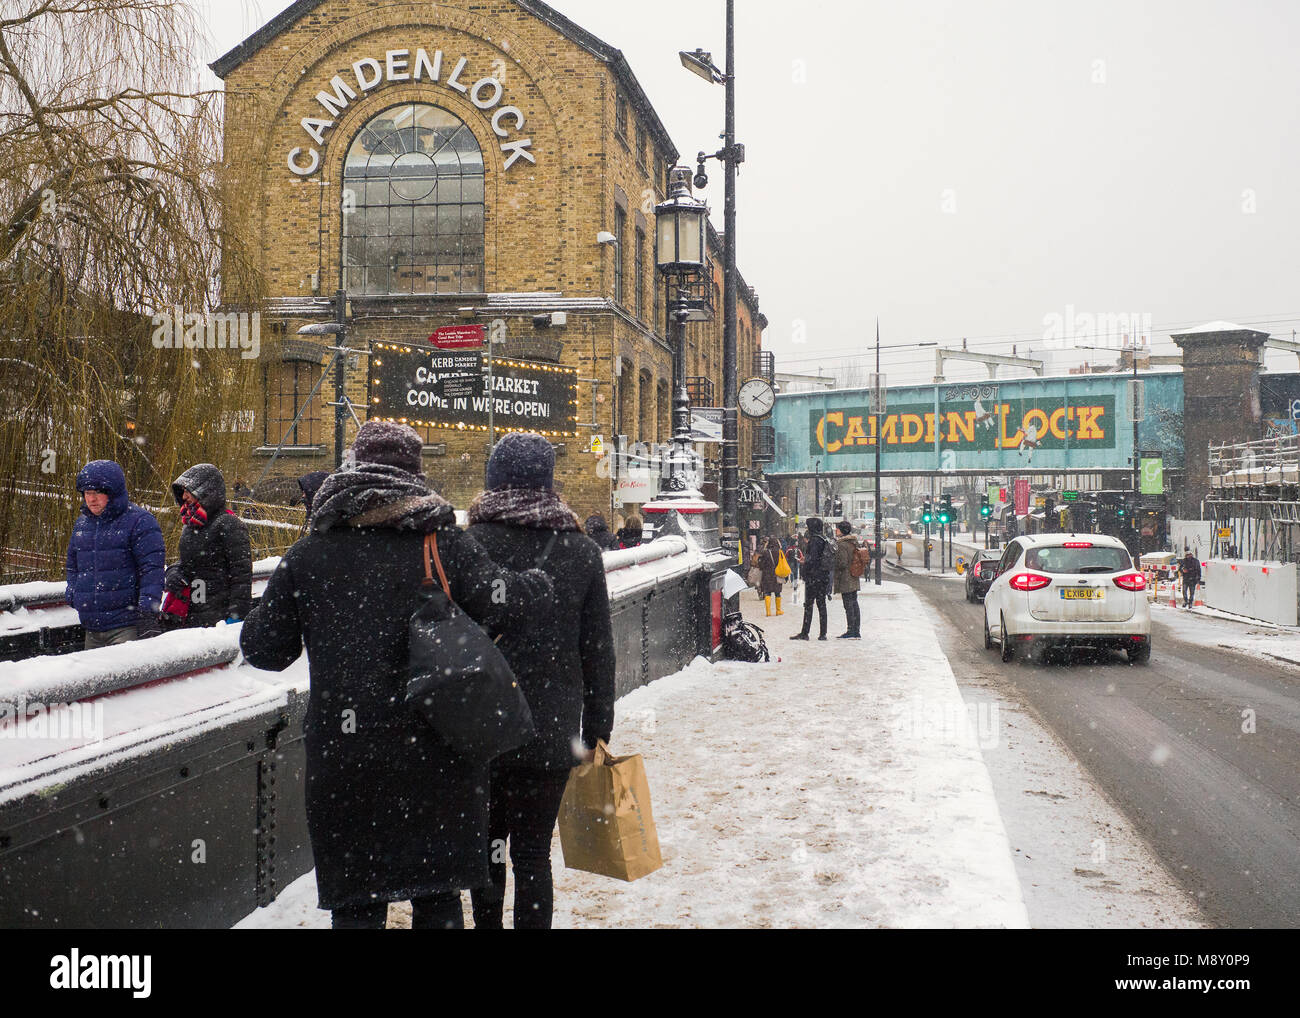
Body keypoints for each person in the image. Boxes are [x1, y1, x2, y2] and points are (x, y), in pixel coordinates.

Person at [239, 421, 555, 930]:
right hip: (437, 751)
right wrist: (541, 582)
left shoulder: (309, 553)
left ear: (354, 468)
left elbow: (263, 649)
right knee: (438, 897)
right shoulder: (442, 544)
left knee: (356, 904)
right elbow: (505, 602)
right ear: (415, 472)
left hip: (347, 761)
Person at [463, 432, 616, 930]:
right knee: (532, 857)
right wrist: (597, 729)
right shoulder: (581, 551)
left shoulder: (467, 545)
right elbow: (598, 653)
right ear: (548, 480)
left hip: (479, 729)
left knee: (487, 853)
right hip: (549, 732)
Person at [65, 460, 165, 649]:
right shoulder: (83, 525)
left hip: (125, 625)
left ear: (113, 493)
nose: (91, 499)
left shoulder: (140, 522)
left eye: (97, 493)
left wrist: (147, 612)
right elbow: (73, 564)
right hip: (91, 625)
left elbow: (152, 571)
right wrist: (74, 592)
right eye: (87, 493)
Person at [163, 464, 252, 628]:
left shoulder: (229, 524)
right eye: (182, 492)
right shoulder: (191, 525)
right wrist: (173, 572)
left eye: (188, 491)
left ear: (205, 491)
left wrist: (235, 617)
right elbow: (188, 563)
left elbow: (241, 577)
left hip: (218, 618)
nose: (184, 496)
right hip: (192, 611)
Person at [791, 517, 833, 641]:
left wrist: (805, 563)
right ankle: (823, 633)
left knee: (809, 605)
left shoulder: (814, 540)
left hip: (814, 577)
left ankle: (805, 632)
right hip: (823, 577)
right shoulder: (823, 539)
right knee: (822, 605)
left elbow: (813, 559)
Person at [832, 520, 862, 639]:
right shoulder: (853, 542)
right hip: (853, 576)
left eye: (838, 529)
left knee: (848, 605)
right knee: (854, 604)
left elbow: (842, 563)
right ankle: (856, 629)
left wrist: (835, 563)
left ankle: (851, 630)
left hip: (846, 578)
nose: (836, 530)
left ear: (842, 530)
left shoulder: (842, 544)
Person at [757, 535, 784, 617]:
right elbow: (784, 564)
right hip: (777, 575)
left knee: (767, 592)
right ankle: (778, 610)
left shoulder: (765, 552)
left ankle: (768, 612)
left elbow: (761, 565)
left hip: (767, 575)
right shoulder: (780, 552)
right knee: (777, 593)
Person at [783, 535, 802, 605]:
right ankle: (795, 582)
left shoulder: (789, 549)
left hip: (791, 562)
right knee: (796, 573)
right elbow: (801, 556)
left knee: (791, 572)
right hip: (796, 562)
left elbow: (786, 556)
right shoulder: (798, 549)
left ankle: (792, 581)